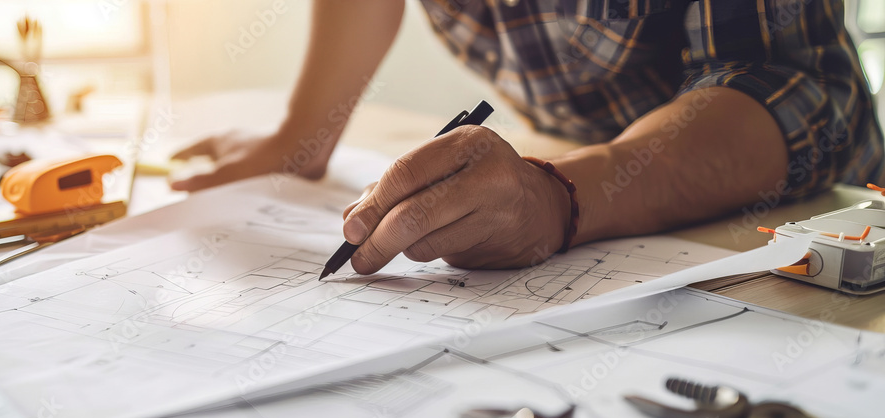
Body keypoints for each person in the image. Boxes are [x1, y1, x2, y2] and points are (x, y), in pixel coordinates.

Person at [170, 0, 884, 275]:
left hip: (818, 233)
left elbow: (797, 90)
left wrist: (558, 194)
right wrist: (304, 133)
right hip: (590, 204)